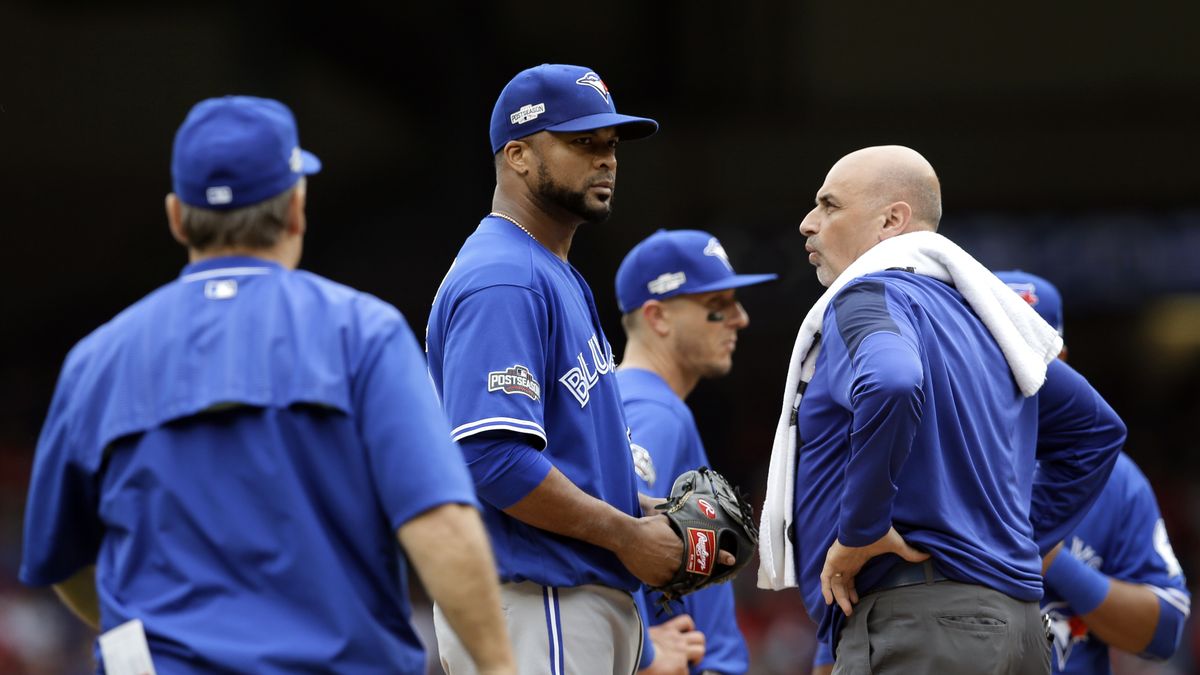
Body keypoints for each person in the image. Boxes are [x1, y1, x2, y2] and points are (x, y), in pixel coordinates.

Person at [19, 96, 515, 675]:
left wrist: (146, 639)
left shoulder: (96, 360)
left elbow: (62, 558)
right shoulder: (360, 333)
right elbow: (440, 523)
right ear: (296, 208)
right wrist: (500, 667)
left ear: (177, 216)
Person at [756, 145, 1127, 674]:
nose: (807, 223)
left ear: (892, 220)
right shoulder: (988, 319)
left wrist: (862, 528)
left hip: (920, 625)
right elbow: (1098, 431)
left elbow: (892, 382)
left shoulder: (867, 295)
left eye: (829, 205)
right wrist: (1004, 545)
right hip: (1014, 626)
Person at [426, 64, 705, 674]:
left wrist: (649, 512)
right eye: (583, 143)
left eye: (610, 145)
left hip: (569, 599)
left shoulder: (551, 272)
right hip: (539, 597)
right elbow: (492, 458)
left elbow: (566, 455)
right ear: (519, 155)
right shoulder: (504, 277)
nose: (606, 159)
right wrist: (629, 537)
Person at [995, 270, 1191, 674]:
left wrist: (1048, 556)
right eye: (994, 348)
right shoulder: (927, 463)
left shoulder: (1114, 477)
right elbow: (837, 642)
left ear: (1060, 359)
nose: (1008, 367)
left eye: (1024, 349)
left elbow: (1164, 630)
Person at [615, 229, 776, 675]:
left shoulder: (633, 402)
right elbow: (604, 527)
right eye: (716, 306)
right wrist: (640, 648)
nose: (739, 318)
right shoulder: (651, 408)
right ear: (658, 317)